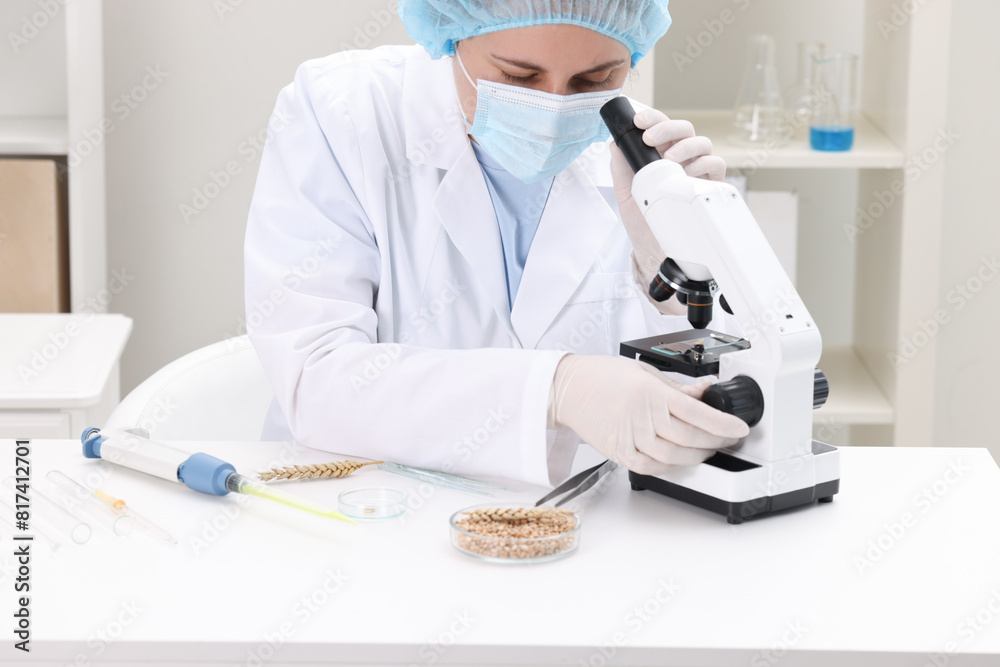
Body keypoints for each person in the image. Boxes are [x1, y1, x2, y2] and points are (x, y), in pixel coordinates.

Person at [244, 0, 750, 488]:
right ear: (452, 32)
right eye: (518, 77)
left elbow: (733, 381)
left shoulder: (643, 152)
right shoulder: (344, 112)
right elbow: (316, 380)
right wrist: (554, 388)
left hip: (587, 528)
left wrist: (673, 263)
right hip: (365, 510)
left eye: (594, 80)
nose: (554, 106)